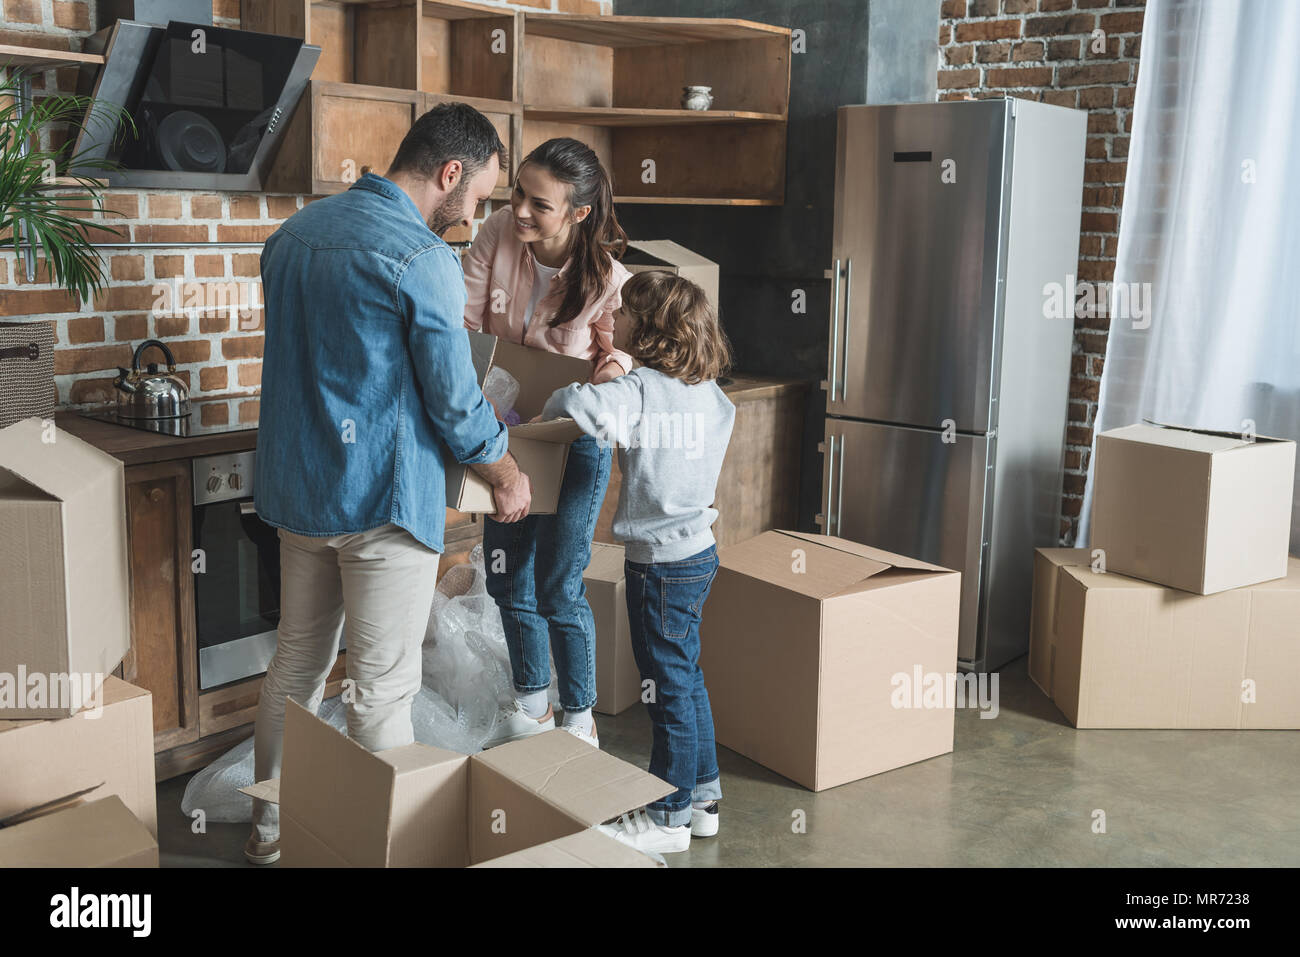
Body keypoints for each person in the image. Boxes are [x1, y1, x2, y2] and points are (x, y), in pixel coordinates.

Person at [247, 103, 533, 865]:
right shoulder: (420, 257)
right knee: (380, 691)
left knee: (296, 668)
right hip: (381, 503)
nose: (472, 218)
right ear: (448, 174)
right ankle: (384, 852)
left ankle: (271, 833)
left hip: (300, 492)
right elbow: (453, 399)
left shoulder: (291, 237)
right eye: (476, 200)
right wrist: (504, 467)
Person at [537, 270, 735, 854]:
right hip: (698, 553)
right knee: (685, 676)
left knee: (666, 687)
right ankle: (702, 797)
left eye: (621, 312)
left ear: (646, 331)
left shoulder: (640, 388)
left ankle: (668, 817)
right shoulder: (708, 390)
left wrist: (599, 378)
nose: (612, 318)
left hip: (658, 566)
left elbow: (577, 404)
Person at [463, 137, 633, 749]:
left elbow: (620, 355)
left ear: (579, 213)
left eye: (540, 204)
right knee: (508, 579)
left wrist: (593, 386)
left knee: (560, 583)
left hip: (574, 435)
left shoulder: (611, 280)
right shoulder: (497, 233)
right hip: (503, 426)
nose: (521, 212)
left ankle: (578, 720)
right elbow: (467, 323)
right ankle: (531, 705)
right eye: (517, 194)